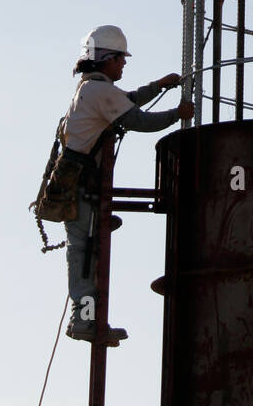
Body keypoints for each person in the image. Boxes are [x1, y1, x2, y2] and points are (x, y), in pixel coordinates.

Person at [62, 24, 193, 344]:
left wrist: (158, 86)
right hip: (82, 189)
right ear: (106, 58)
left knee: (87, 254)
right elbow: (138, 119)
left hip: (78, 187)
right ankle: (85, 321)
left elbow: (129, 100)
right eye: (120, 58)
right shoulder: (98, 92)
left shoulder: (93, 89)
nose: (123, 64)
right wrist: (178, 114)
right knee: (86, 257)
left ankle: (88, 320)